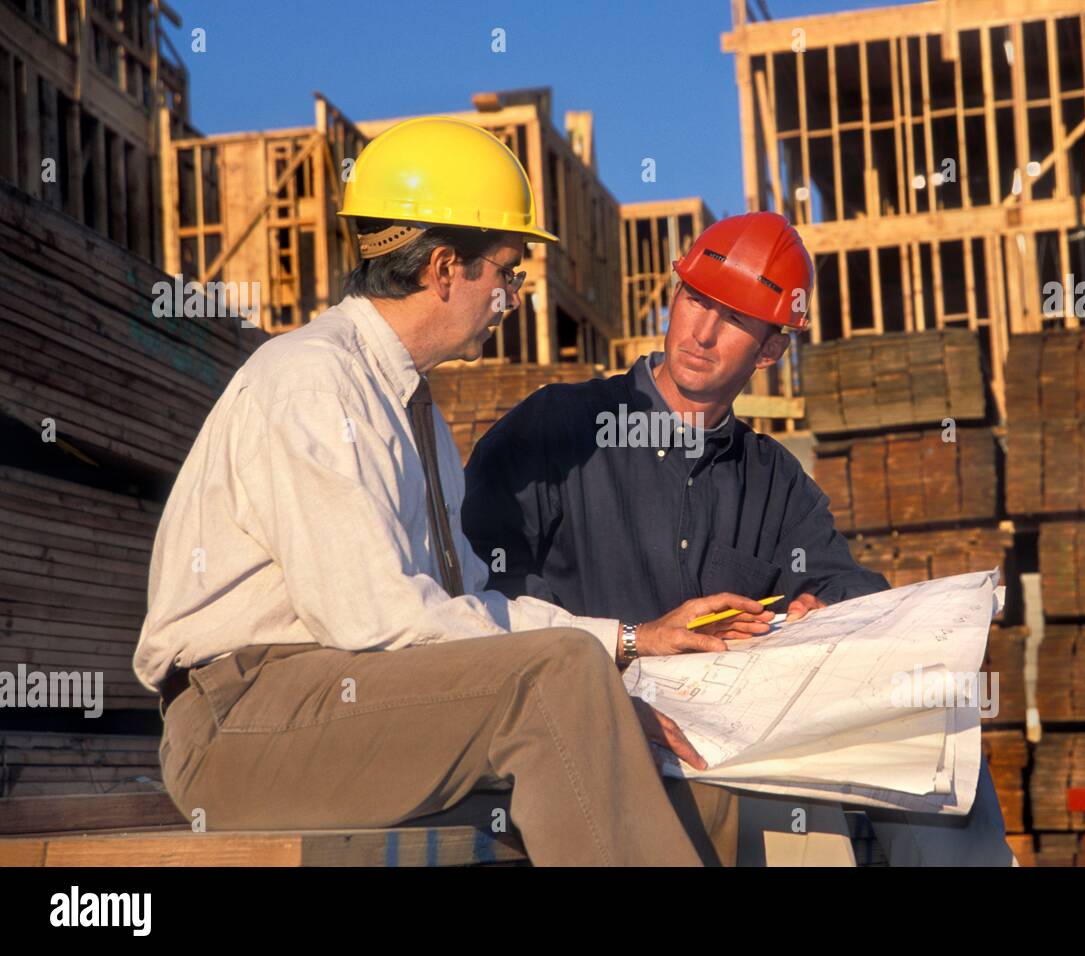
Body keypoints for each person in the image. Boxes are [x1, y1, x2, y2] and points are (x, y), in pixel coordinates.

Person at [133, 117, 756, 866]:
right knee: (560, 683)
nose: (514, 297)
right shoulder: (311, 382)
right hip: (241, 727)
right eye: (507, 272)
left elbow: (460, 606)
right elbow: (380, 620)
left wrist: (628, 641)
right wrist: (588, 679)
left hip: (345, 703)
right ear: (442, 271)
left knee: (691, 781)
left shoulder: (414, 414)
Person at [463, 211, 1015, 865]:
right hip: (588, 725)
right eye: (694, 299)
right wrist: (618, 663)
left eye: (732, 318)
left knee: (943, 753)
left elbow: (842, 583)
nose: (699, 332)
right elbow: (480, 594)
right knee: (780, 821)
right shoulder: (557, 432)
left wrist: (830, 612)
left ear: (772, 349)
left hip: (731, 741)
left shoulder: (775, 481)